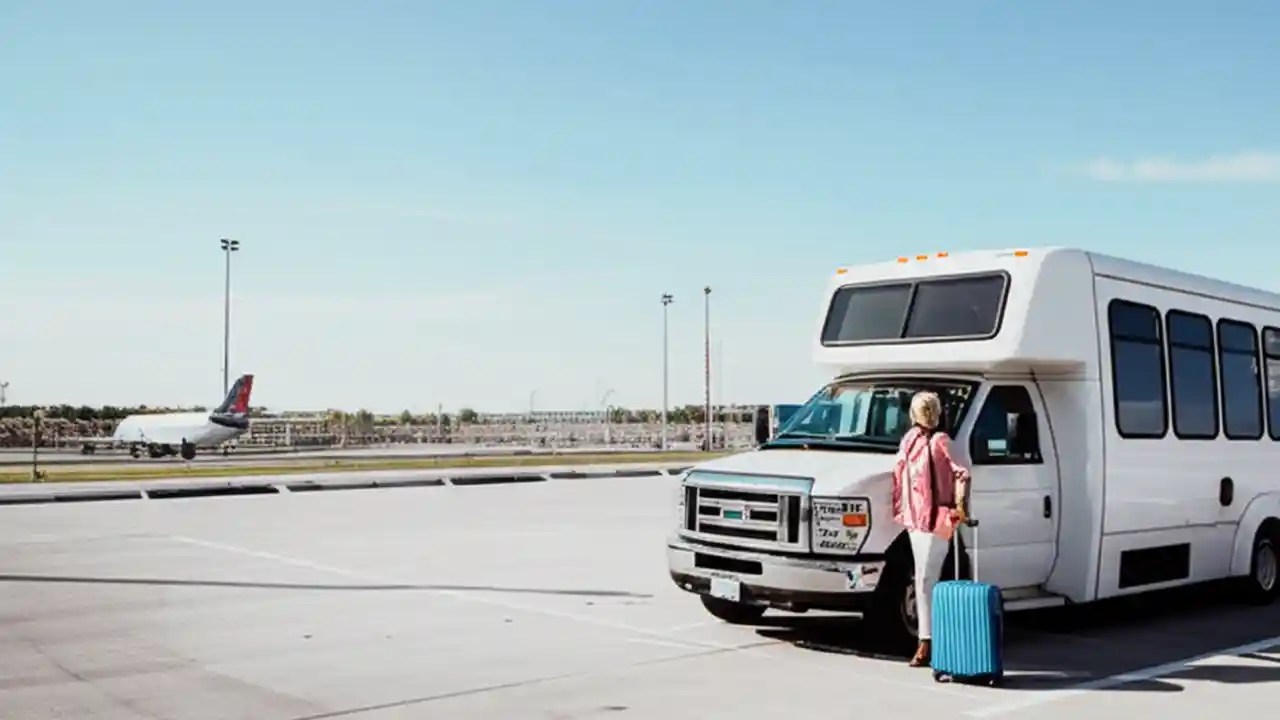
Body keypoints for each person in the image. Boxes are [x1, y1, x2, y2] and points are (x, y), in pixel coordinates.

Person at [891, 390, 971, 667]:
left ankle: (926, 642)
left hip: (936, 518)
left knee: (926, 580)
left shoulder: (941, 441)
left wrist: (960, 507)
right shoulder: (910, 440)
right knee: (923, 579)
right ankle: (928, 639)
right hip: (914, 518)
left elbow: (962, 472)